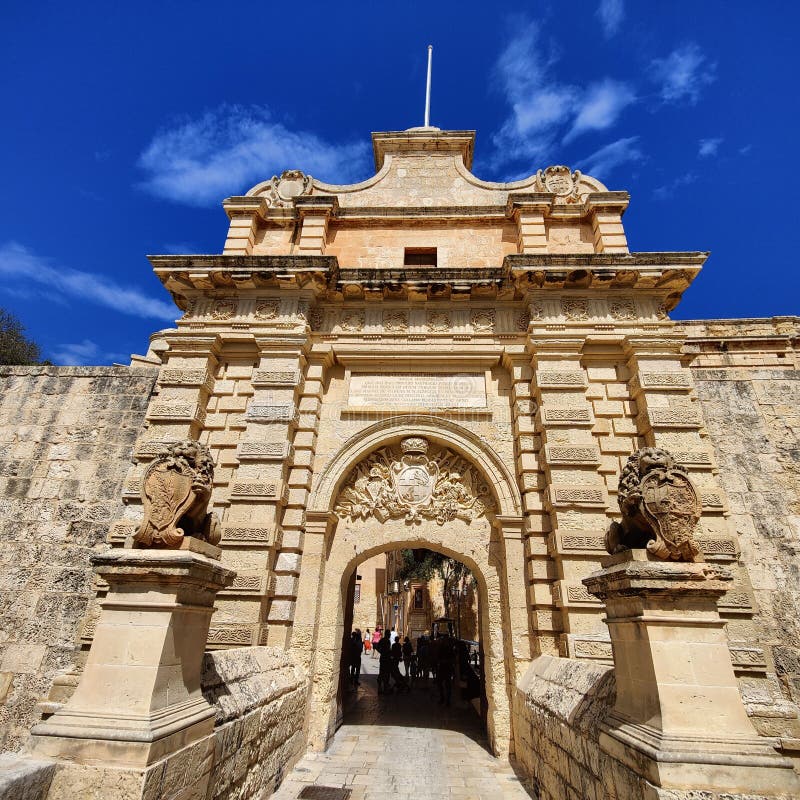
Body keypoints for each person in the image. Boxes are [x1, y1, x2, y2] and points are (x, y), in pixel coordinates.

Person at [433, 631, 456, 706]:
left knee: (446, 684)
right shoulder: (443, 648)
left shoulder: (448, 648)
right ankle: (444, 698)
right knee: (443, 684)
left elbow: (453, 658)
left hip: (445, 668)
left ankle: (446, 699)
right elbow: (437, 657)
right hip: (444, 668)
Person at [375, 629, 392, 693]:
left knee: (383, 673)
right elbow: (377, 647)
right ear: (387, 634)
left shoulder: (385, 640)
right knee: (385, 673)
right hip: (385, 659)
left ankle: (383, 687)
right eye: (389, 634)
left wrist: (381, 652)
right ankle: (383, 687)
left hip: (384, 658)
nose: (390, 635)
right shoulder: (385, 640)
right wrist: (382, 652)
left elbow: (377, 647)